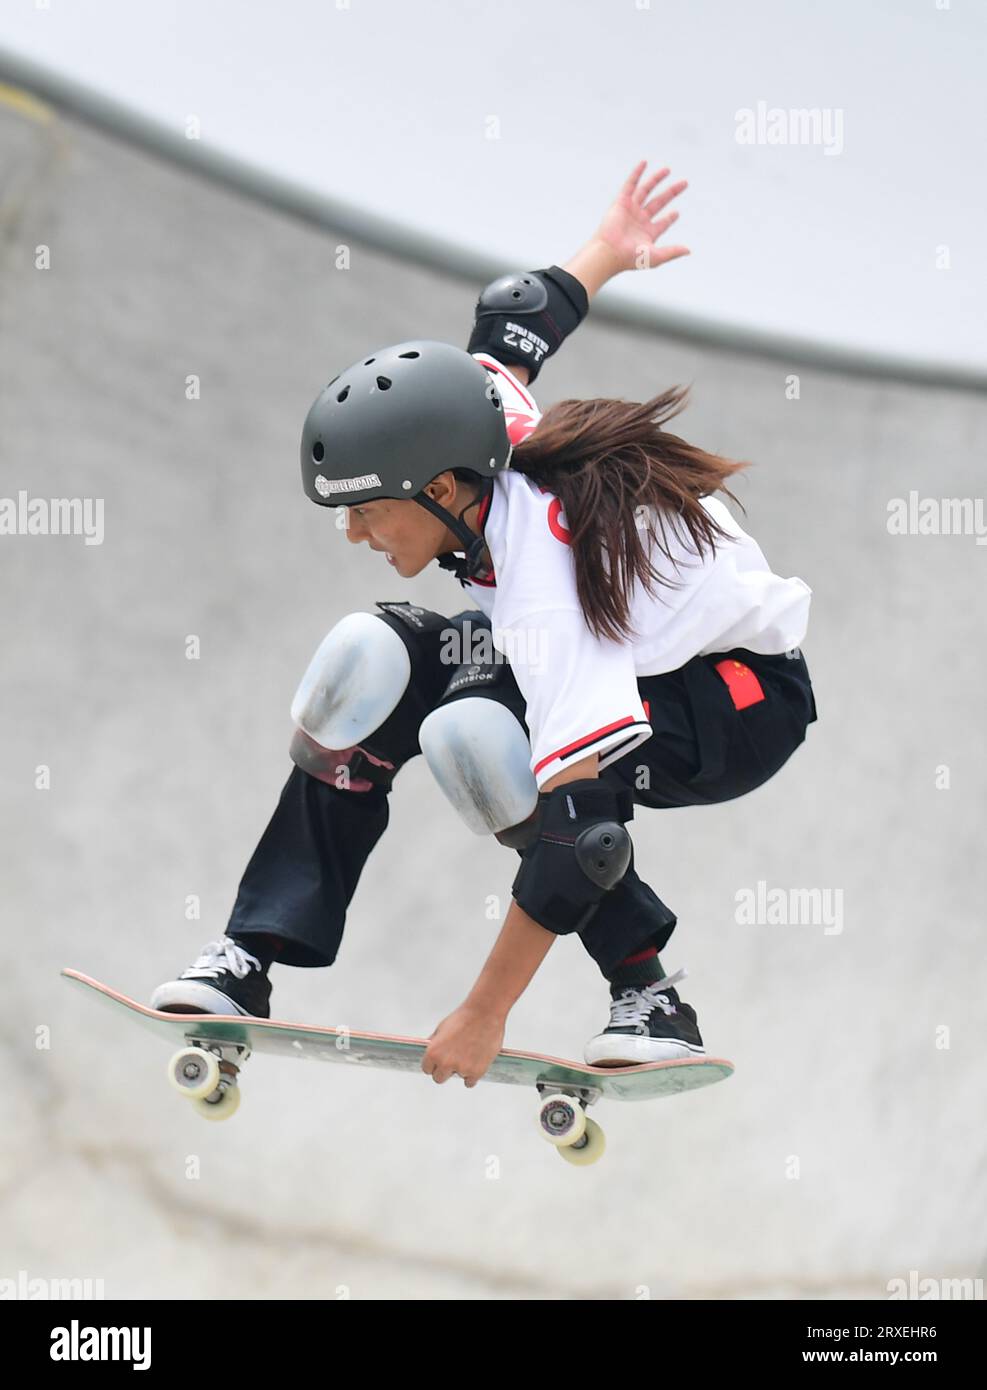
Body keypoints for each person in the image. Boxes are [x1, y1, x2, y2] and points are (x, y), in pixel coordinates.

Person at [151, 161, 816, 1086]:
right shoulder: (475, 415)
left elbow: (581, 828)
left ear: (442, 490)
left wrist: (483, 1013)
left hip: (737, 699)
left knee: (479, 737)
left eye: (368, 510)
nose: (355, 534)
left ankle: (651, 999)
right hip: (636, 656)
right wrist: (610, 249)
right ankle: (247, 957)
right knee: (366, 659)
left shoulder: (550, 584)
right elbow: (516, 317)